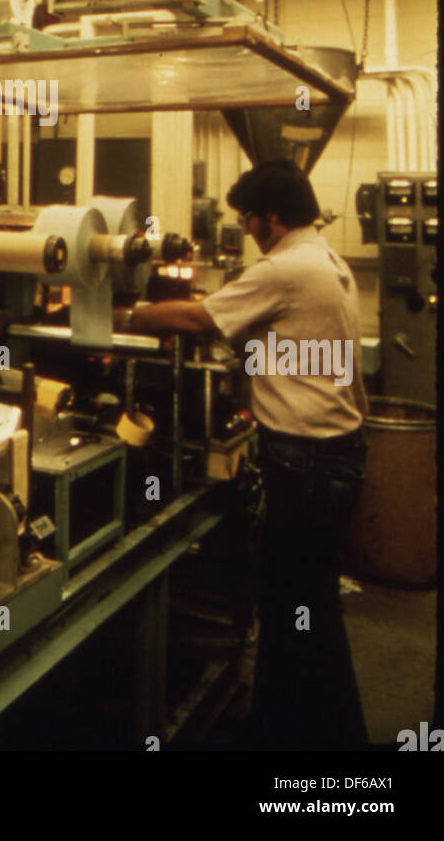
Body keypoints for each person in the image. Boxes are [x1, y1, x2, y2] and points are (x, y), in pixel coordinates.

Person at [117, 158, 369, 749]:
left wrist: (126, 313)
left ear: (271, 217)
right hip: (332, 457)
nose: (248, 231)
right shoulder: (328, 261)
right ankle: (294, 732)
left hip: (305, 463)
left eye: (250, 220)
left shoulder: (286, 268)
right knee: (301, 606)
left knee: (301, 613)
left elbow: (196, 317)